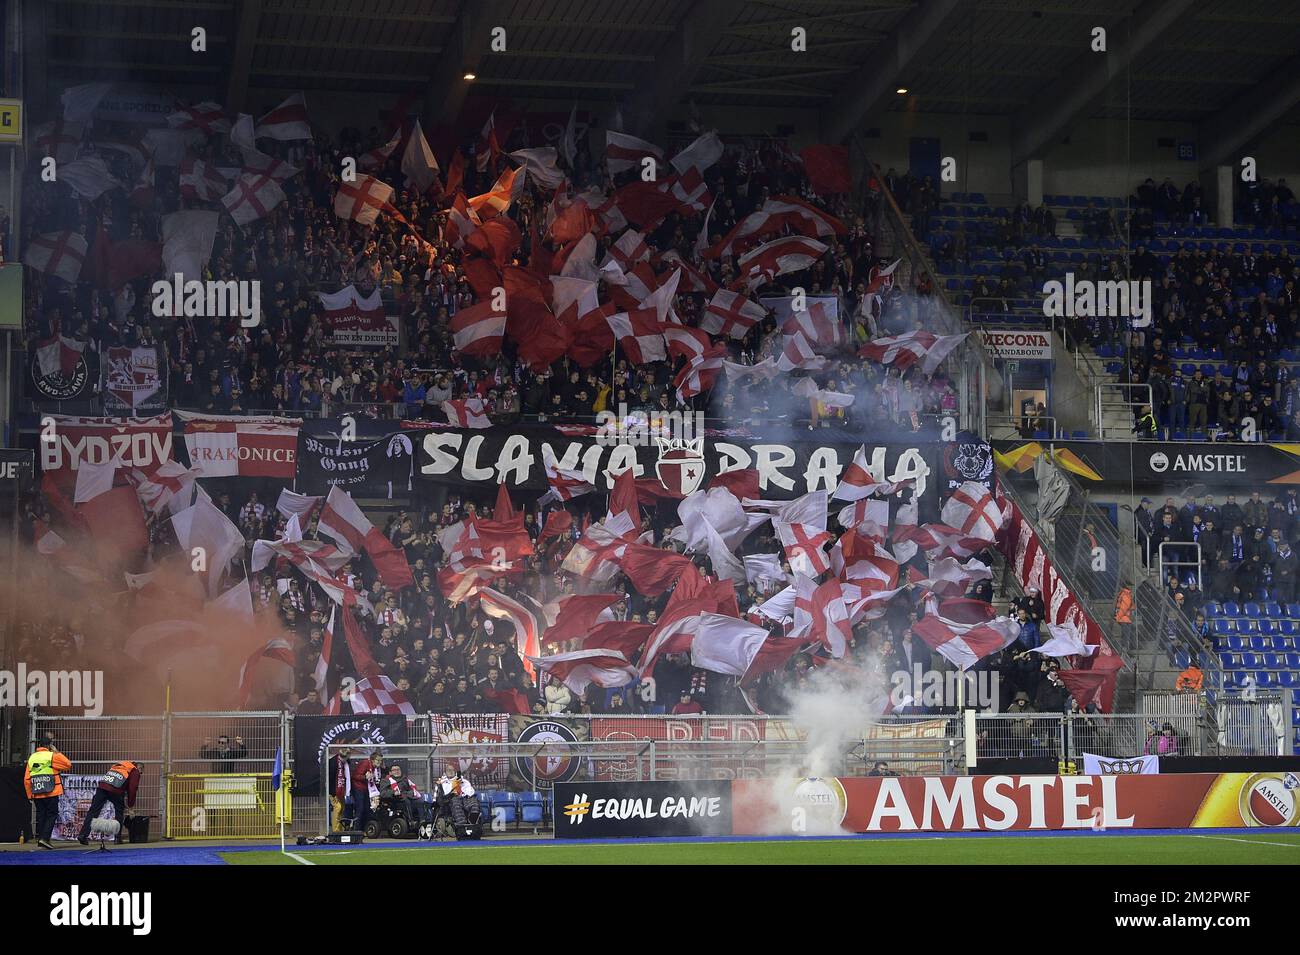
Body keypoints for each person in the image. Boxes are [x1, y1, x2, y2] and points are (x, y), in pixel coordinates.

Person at [77, 759, 141, 845]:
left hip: (102, 787)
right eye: (141, 772)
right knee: (119, 813)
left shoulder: (120, 764)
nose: (140, 774)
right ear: (139, 768)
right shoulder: (135, 770)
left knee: (93, 811)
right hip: (116, 790)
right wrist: (130, 806)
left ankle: (83, 835)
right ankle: (117, 838)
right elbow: (132, 789)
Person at [25, 739, 72, 849]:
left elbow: (27, 779)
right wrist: (57, 752)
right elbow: (67, 764)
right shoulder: (51, 756)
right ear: (50, 746)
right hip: (51, 791)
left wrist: (29, 794)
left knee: (41, 815)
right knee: (52, 814)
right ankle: (45, 839)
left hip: (37, 792)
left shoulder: (32, 758)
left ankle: (41, 839)